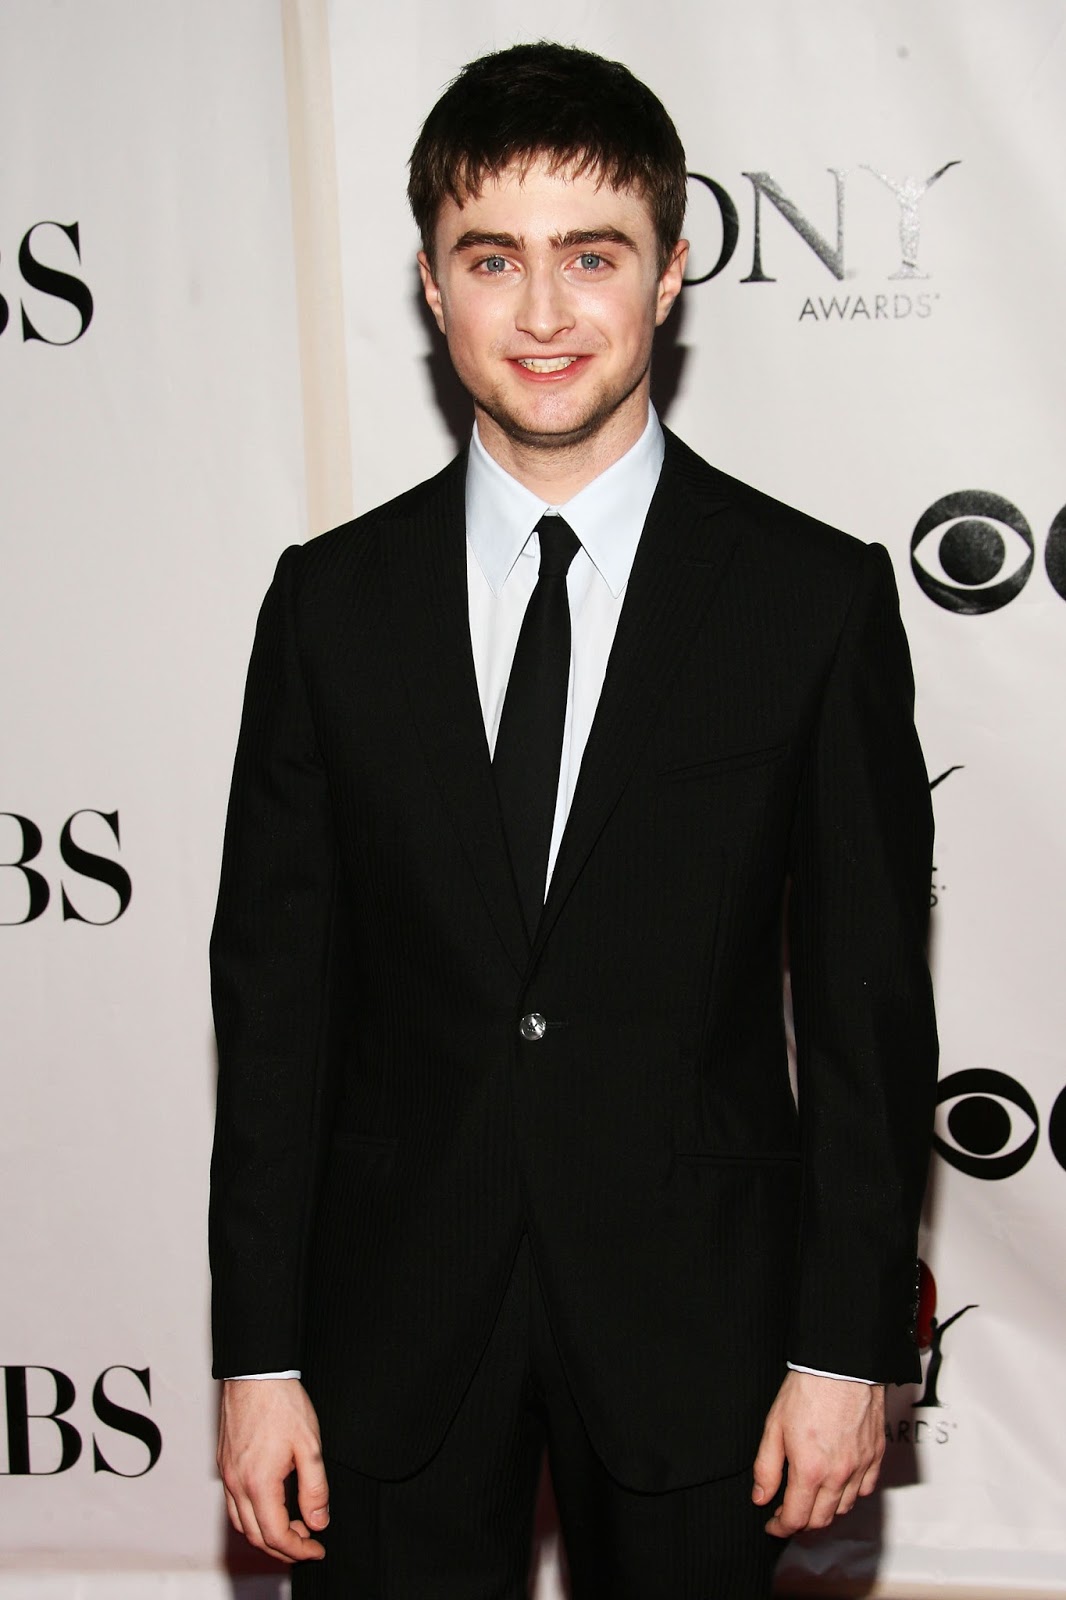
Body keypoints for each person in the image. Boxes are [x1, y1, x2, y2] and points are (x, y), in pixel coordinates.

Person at [209, 41, 938, 1599]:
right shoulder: (328, 607)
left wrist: (843, 1341)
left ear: (670, 272)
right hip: (387, 1336)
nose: (542, 313)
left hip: (706, 1337)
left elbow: (873, 1019)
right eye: (494, 259)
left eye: (589, 255)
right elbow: (273, 1012)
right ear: (430, 285)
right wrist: (255, 1354)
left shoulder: (808, 602)